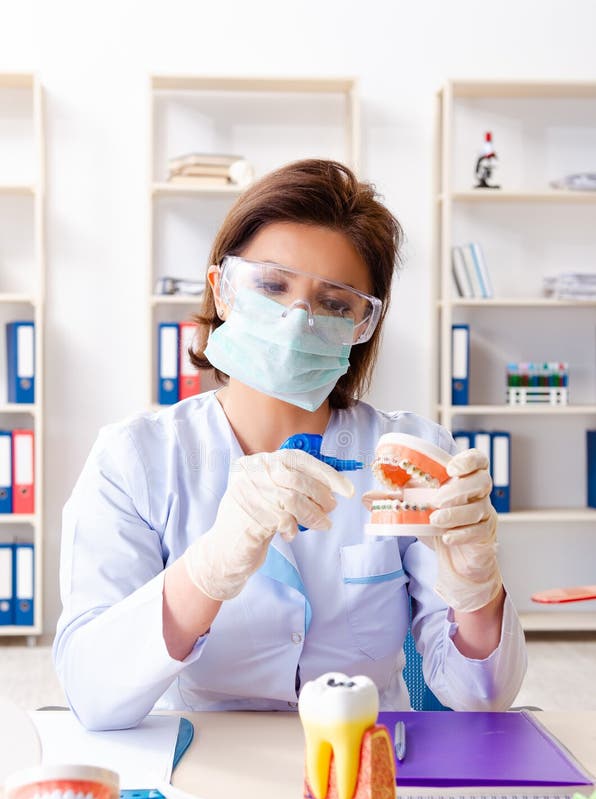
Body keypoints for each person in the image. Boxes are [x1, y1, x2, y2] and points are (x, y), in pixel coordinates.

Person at [54, 159, 527, 730]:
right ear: (222, 290)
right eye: (272, 285)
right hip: (210, 764)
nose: (296, 319)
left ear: (362, 326)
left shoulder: (408, 454)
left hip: (368, 756)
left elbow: (482, 700)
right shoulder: (137, 460)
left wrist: (477, 585)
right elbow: (92, 693)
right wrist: (205, 573)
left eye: (334, 303)